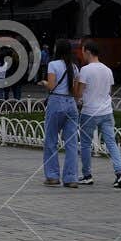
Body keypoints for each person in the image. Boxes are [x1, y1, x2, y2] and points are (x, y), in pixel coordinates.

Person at [76, 40, 121, 188]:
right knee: (111, 142)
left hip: (89, 112)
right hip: (106, 111)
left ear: (88, 52)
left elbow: (79, 93)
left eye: (83, 51)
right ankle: (120, 173)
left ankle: (87, 175)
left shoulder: (85, 70)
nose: (82, 54)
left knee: (85, 144)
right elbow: (109, 91)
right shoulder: (107, 70)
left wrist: (79, 97)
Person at [42, 38, 83, 187]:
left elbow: (52, 86)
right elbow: (77, 93)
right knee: (71, 143)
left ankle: (52, 176)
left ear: (57, 50)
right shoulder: (75, 67)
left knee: (51, 140)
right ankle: (71, 178)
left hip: (56, 102)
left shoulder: (53, 65)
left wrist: (44, 83)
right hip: (71, 104)